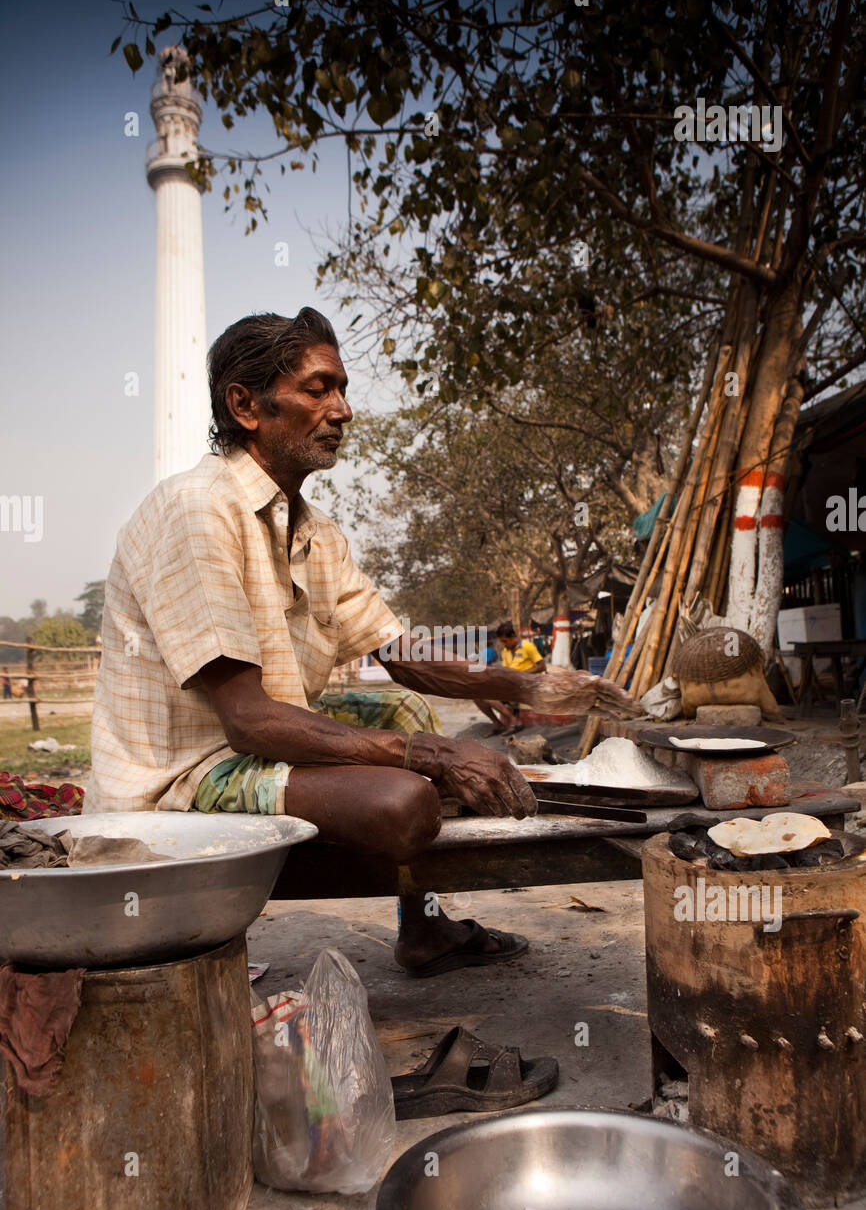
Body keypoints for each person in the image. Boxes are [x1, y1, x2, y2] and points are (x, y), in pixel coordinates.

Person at [87, 308, 637, 977]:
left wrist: (526, 685)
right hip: (188, 771)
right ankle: (406, 852)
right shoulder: (197, 508)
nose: (343, 409)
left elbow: (398, 650)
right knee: (406, 801)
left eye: (342, 390)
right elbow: (249, 719)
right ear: (245, 405)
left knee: (406, 720)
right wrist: (429, 756)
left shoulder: (315, 531)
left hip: (257, 745)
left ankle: (425, 929)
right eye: (318, 389)